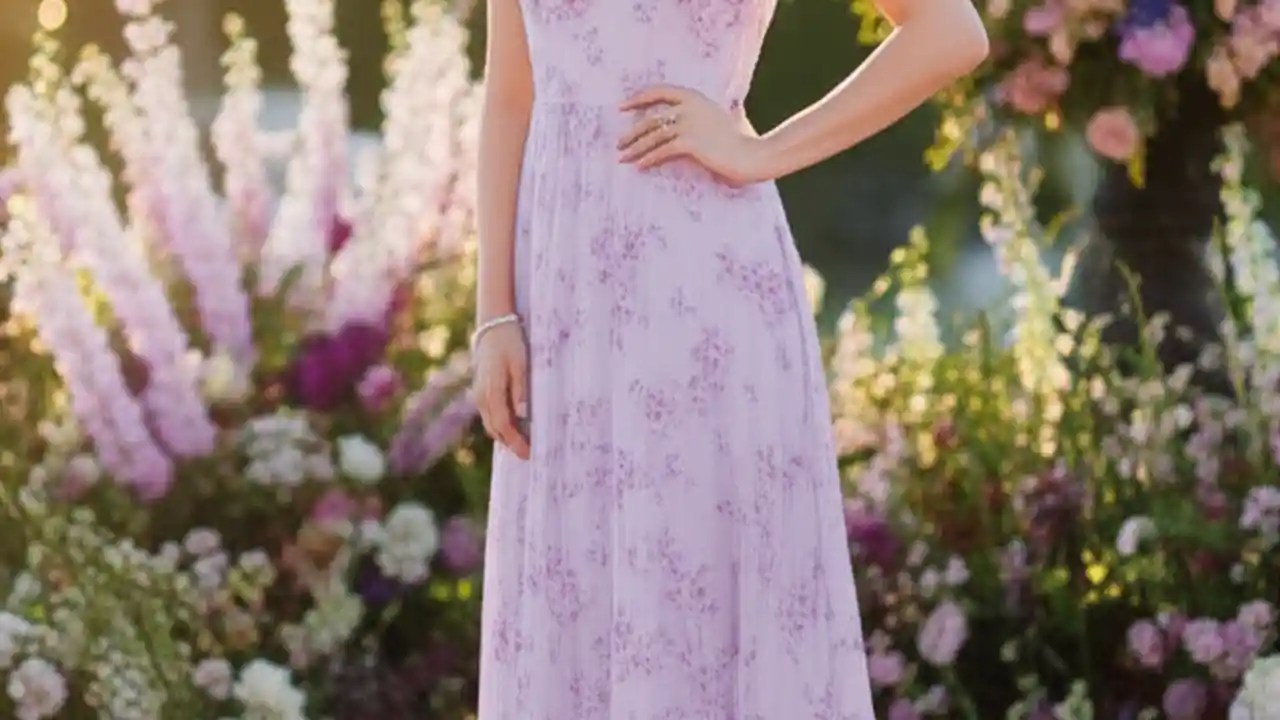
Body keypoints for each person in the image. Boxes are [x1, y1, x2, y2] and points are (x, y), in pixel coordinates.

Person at [471, 0, 987, 715]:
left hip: (703, 301)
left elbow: (950, 32)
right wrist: (492, 312)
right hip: (563, 312)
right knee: (577, 601)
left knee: (692, 591)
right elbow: (509, 97)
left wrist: (761, 152)